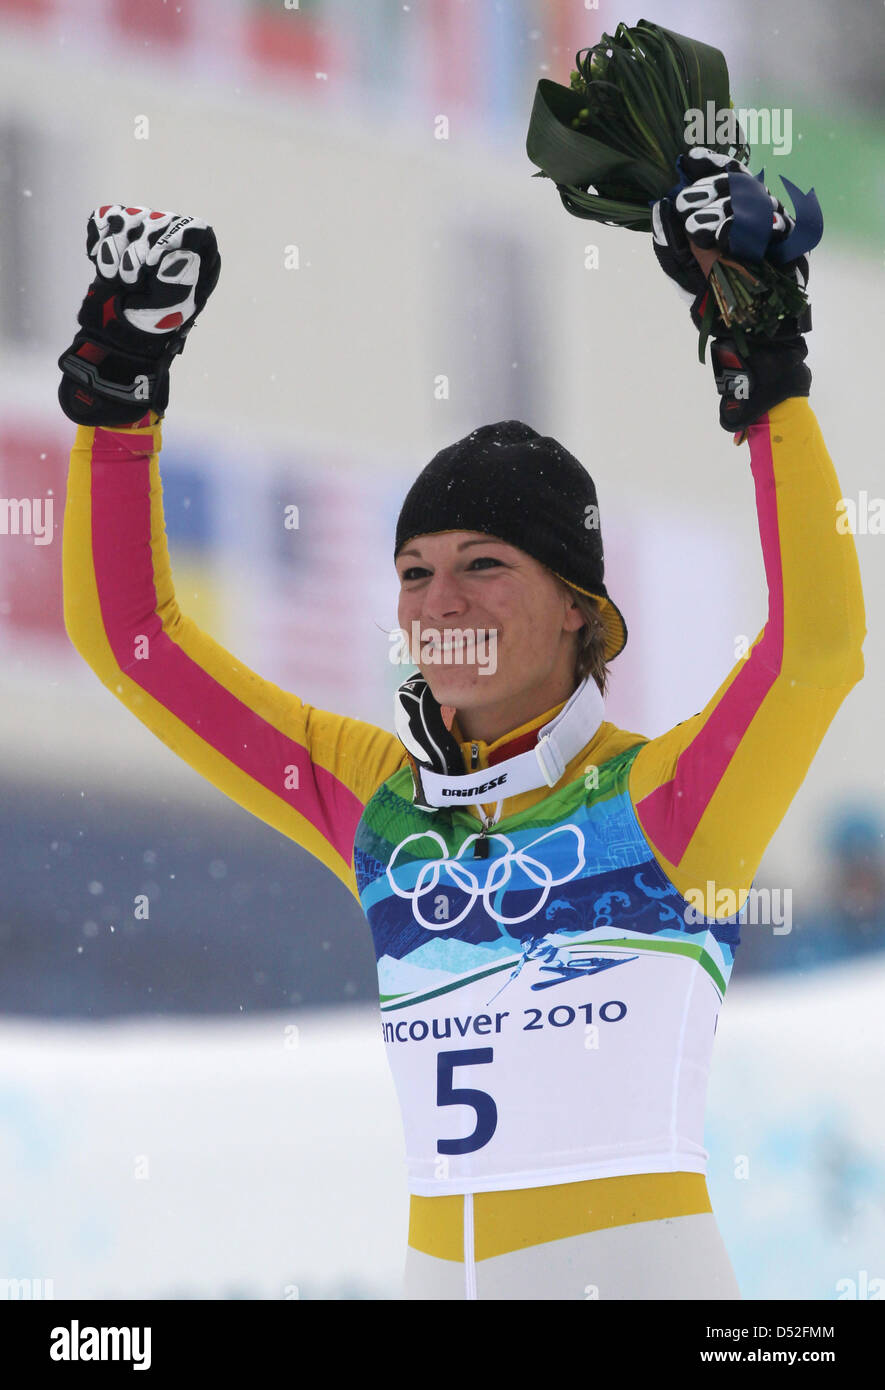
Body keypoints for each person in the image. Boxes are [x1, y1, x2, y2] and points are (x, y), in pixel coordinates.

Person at [58, 154, 866, 1300]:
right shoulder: (377, 802)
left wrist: (768, 372)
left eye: (486, 565)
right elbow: (133, 638)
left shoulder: (660, 802)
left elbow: (818, 653)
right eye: (414, 571)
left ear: (581, 611)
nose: (441, 604)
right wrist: (121, 387)